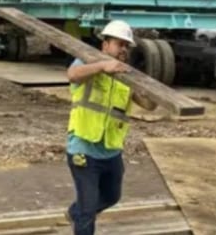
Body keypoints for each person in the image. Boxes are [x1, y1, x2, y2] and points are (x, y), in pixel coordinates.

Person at [64, 20, 157, 234]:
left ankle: (75, 212)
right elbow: (72, 75)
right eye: (119, 44)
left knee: (111, 197)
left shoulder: (126, 76)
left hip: (111, 150)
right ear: (105, 44)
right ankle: (82, 214)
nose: (124, 49)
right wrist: (101, 66)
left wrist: (154, 91)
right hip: (83, 148)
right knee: (88, 208)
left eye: (127, 46)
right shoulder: (86, 62)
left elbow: (148, 105)